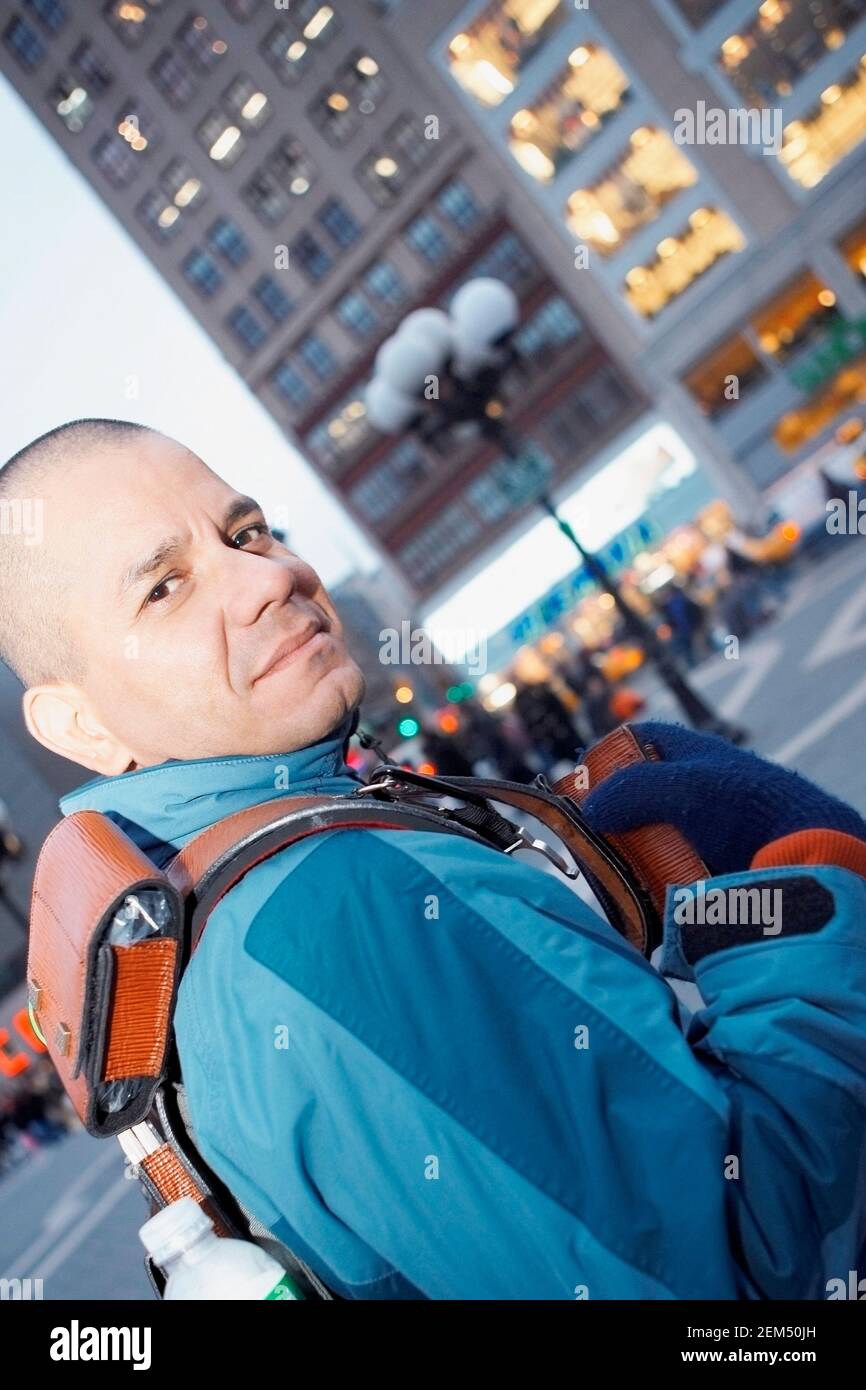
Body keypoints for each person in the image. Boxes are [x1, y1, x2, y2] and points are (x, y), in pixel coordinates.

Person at [3, 417, 866, 1299]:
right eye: (165, 587)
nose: (269, 578)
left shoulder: (211, 925)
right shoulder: (339, 906)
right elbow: (749, 1268)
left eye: (246, 531)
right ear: (80, 726)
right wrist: (805, 907)